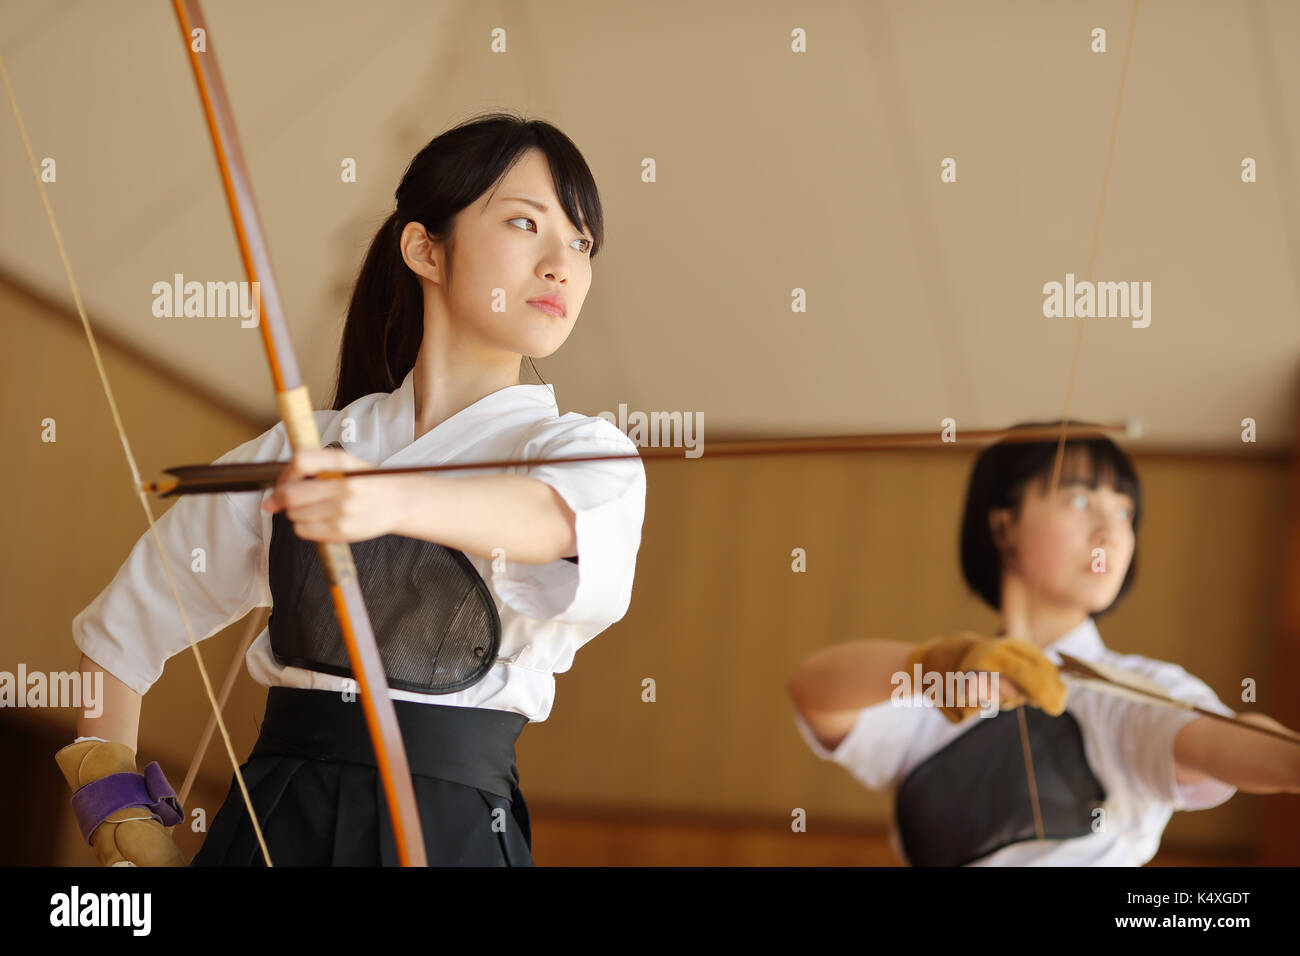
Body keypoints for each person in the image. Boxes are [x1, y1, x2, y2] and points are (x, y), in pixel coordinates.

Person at [56, 113, 647, 867]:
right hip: (272, 817)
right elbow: (121, 631)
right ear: (424, 248)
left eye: (581, 243)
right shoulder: (307, 450)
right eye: (526, 224)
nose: (562, 264)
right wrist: (114, 808)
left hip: (450, 829)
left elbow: (557, 521)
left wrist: (388, 499)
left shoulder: (579, 452)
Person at [787, 423, 1300, 865]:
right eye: (1080, 498)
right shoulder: (948, 687)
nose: (1110, 532)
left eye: (1124, 512)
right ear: (1003, 523)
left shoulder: (1127, 691)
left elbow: (1218, 741)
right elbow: (813, 690)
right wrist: (931, 663)